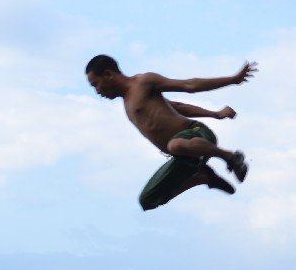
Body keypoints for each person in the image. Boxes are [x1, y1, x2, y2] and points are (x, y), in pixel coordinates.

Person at [85, 54, 256, 210]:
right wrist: (215, 114)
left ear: (108, 74)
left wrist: (233, 79)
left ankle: (231, 157)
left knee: (175, 144)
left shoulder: (143, 82)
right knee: (147, 200)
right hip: (184, 155)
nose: (97, 91)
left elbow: (189, 84)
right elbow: (178, 107)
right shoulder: (128, 102)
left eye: (96, 84)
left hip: (196, 134)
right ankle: (202, 177)